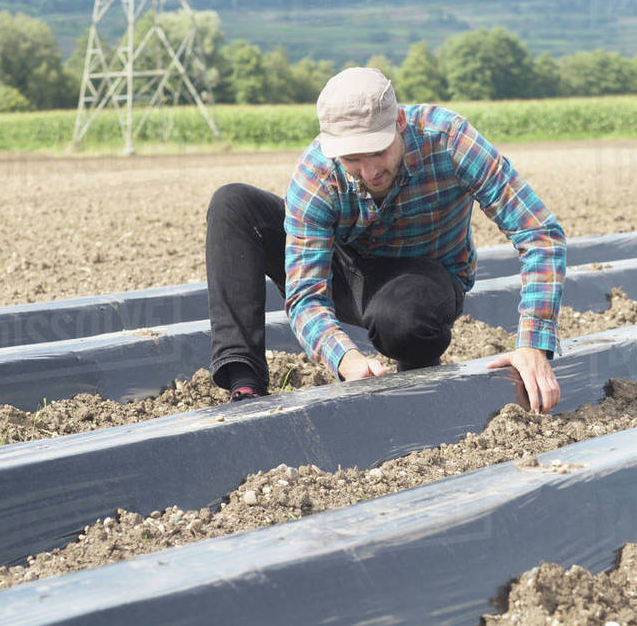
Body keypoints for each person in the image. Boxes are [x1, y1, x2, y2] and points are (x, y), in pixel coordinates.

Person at [205, 67, 566, 412]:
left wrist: (533, 344)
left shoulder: (449, 140)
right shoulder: (316, 175)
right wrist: (346, 360)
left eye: (379, 151)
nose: (370, 171)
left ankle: (416, 368)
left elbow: (539, 233)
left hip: (425, 281)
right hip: (347, 273)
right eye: (353, 159)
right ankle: (245, 385)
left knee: (403, 315)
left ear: (399, 123)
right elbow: (306, 296)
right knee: (234, 205)